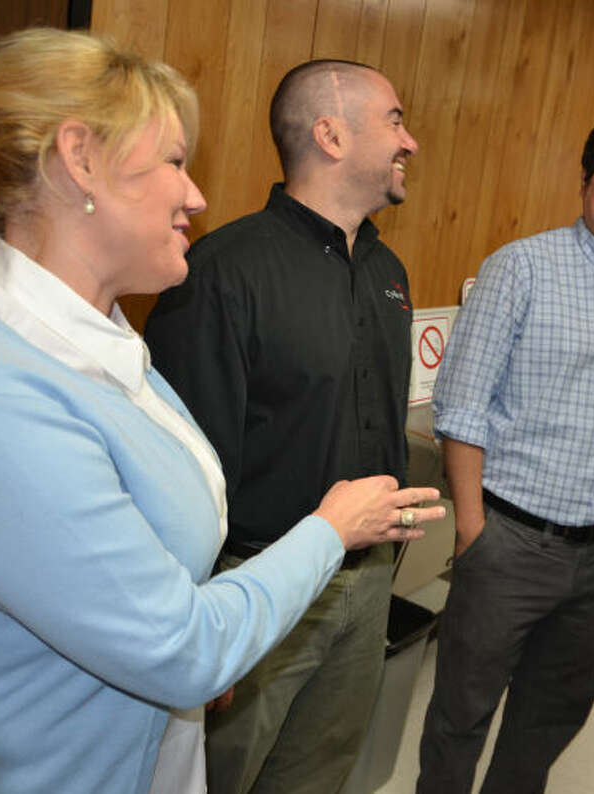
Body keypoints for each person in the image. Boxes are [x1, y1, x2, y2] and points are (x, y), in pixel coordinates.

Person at [0, 29, 442, 794]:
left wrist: (217, 617)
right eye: (175, 161)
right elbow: (182, 645)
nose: (195, 194)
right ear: (80, 159)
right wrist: (327, 532)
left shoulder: (102, 338)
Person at [144, 59, 420, 794]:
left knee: (316, 779)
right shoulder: (220, 273)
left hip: (364, 589)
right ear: (331, 134)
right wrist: (200, 629)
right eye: (395, 120)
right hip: (254, 589)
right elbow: (178, 477)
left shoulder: (390, 273)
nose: (411, 142)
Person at [416, 115, 594, 794]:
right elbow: (462, 407)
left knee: (549, 722)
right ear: (587, 180)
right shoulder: (521, 267)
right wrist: (474, 530)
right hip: (510, 542)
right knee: (462, 715)